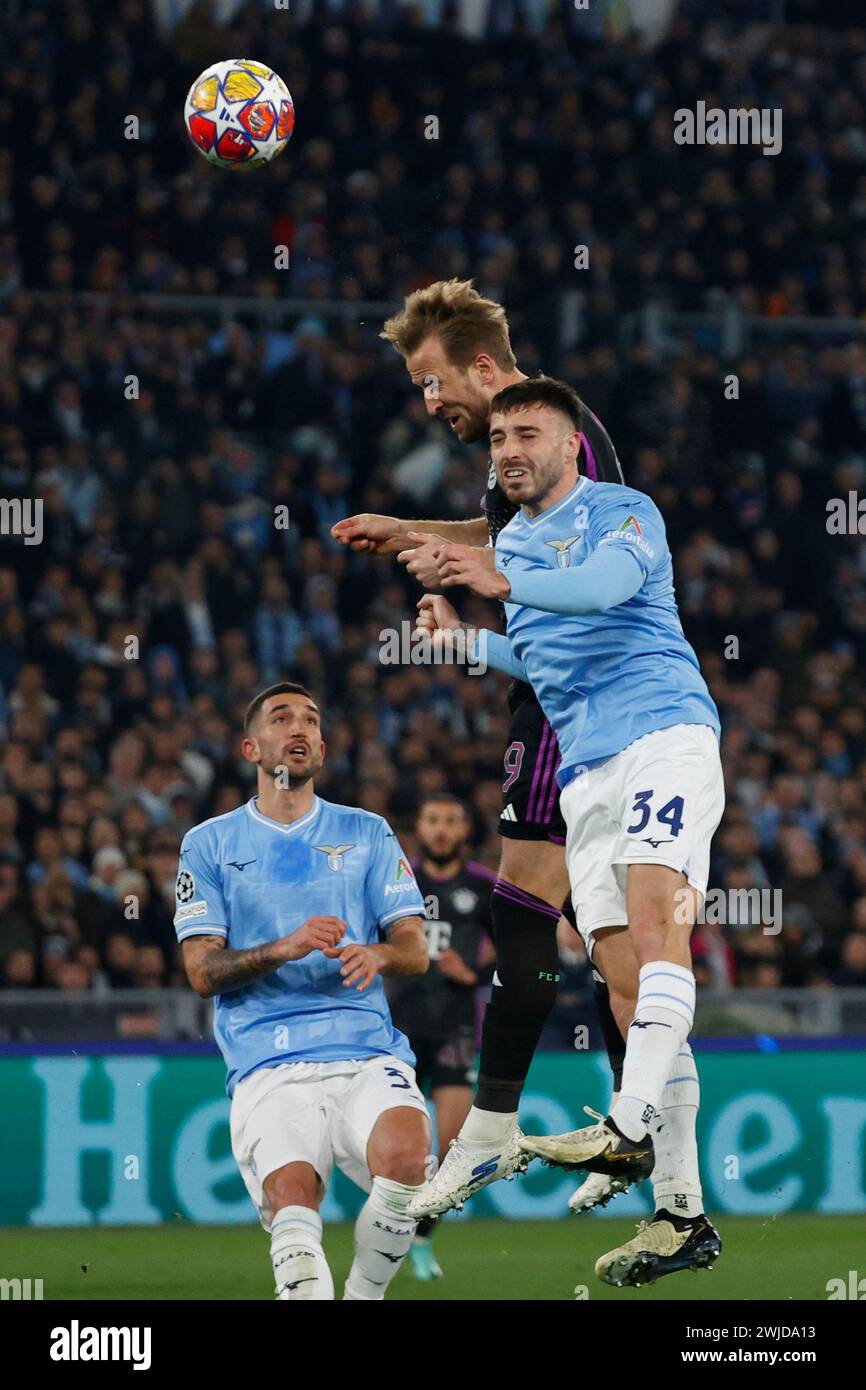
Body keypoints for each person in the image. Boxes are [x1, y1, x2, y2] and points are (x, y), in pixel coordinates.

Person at [412, 377, 724, 1288]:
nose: (507, 449)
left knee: (660, 929)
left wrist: (500, 579)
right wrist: (468, 641)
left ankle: (626, 1123)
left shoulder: (621, 512)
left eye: (527, 434)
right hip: (585, 773)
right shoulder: (511, 540)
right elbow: (543, 657)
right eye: (498, 436)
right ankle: (680, 1218)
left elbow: (606, 588)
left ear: (570, 446)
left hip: (663, 734)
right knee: (627, 988)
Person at [332, 278, 627, 1215]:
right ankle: (644, 1132)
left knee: (525, 904)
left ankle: (491, 1132)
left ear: (487, 369)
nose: (429, 404)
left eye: (431, 381)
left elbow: (579, 571)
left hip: (564, 695)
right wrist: (410, 528)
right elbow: (505, 540)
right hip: (563, 696)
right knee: (613, 928)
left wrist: (462, 579)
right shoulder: (526, 455)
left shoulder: (549, 436)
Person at [175, 681, 431, 1301]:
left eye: (311, 720)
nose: (300, 728)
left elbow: (416, 949)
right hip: (268, 1060)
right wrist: (281, 948)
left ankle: (364, 1297)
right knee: (294, 1198)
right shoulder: (208, 844)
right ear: (250, 747)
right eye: (282, 718)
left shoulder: (368, 832)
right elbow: (201, 972)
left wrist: (378, 953)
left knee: (408, 1167)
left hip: (366, 1047)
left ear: (321, 745)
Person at [386, 793, 496, 1280]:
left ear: (465, 829)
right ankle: (388, 1230)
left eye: (451, 820)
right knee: (399, 1146)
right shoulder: (399, 879)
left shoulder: (483, 886)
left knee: (451, 1142)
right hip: (399, 1028)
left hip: (456, 1027)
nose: (441, 829)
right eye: (432, 820)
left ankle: (424, 1239)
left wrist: (474, 973)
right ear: (420, 827)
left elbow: (518, 944)